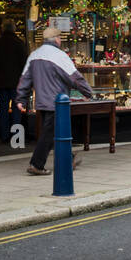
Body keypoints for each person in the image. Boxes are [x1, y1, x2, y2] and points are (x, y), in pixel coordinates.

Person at [15, 26, 94, 176]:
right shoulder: (59, 56)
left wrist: (21, 99)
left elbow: (25, 79)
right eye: (60, 39)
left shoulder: (34, 55)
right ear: (57, 40)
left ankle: (69, 159)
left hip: (42, 102)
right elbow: (74, 77)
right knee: (49, 134)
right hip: (58, 102)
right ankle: (36, 164)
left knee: (58, 131)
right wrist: (88, 92)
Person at [0, 22, 28, 144]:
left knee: (3, 110)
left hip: (1, 83)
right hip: (16, 84)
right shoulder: (19, 43)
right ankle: (16, 138)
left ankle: (4, 136)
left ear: (2, 29)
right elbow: (24, 64)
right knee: (17, 110)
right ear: (14, 30)